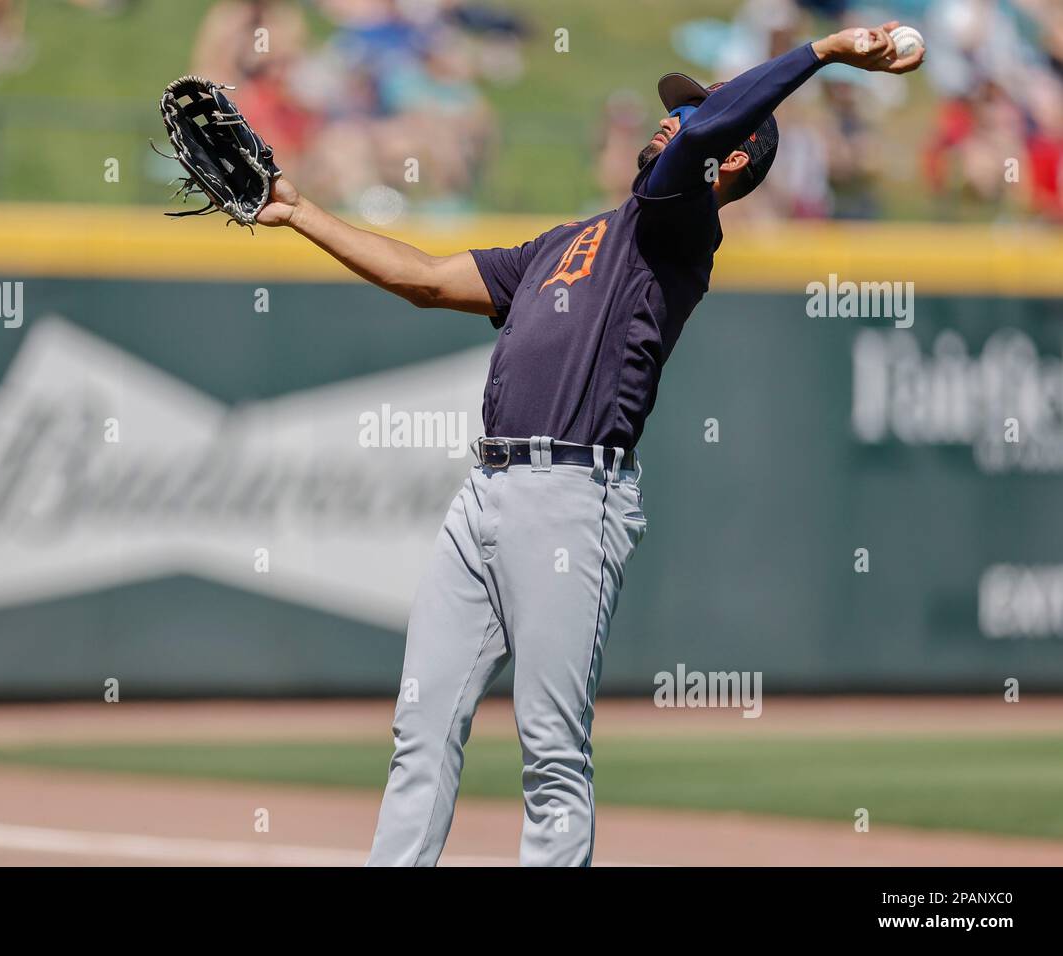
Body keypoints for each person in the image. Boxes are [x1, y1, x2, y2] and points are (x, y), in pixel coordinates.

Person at [255, 20, 923, 867]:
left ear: (727, 163)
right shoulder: (567, 242)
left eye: (691, 116)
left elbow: (714, 131)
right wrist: (301, 211)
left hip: (570, 501)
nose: (669, 119)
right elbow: (423, 279)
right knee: (420, 728)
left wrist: (822, 54)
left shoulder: (676, 226)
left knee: (552, 751)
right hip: (484, 497)